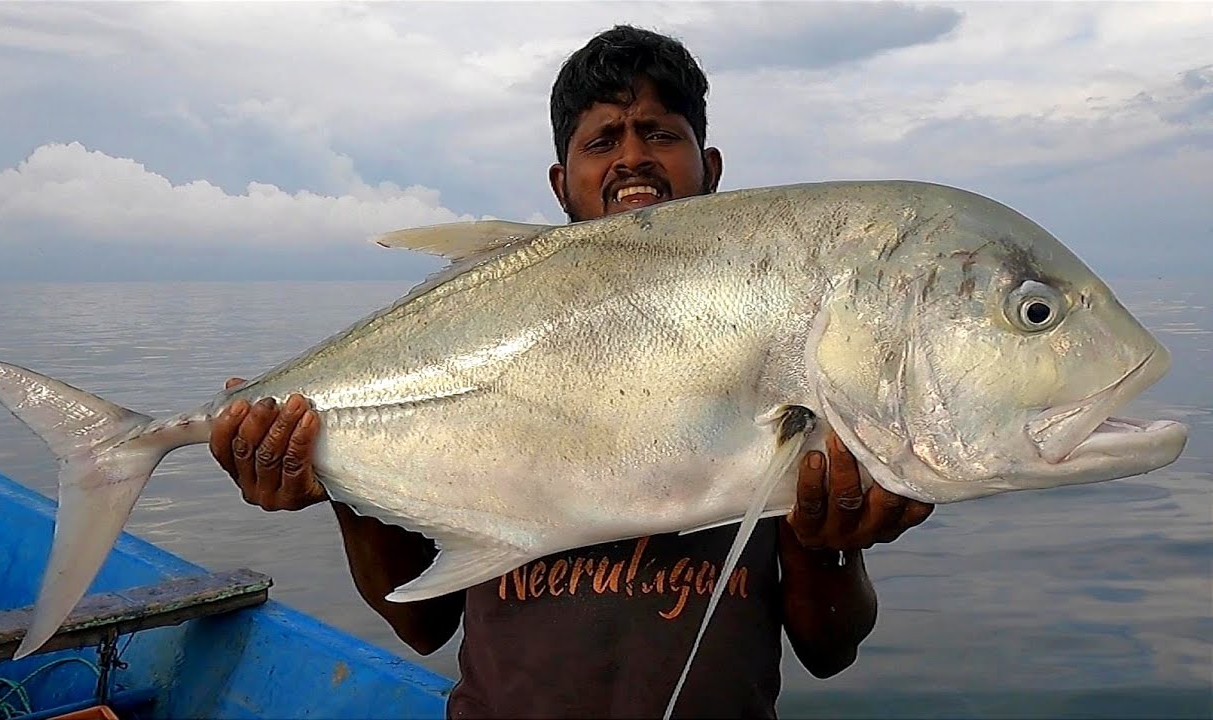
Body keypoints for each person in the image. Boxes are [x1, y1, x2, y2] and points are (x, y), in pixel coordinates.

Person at [208, 25, 935, 719]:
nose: (632, 158)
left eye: (660, 133)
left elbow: (830, 649)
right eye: (602, 140)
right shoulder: (473, 336)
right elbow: (422, 624)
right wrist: (335, 476)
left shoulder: (767, 336)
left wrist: (828, 540)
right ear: (562, 183)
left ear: (710, 169)